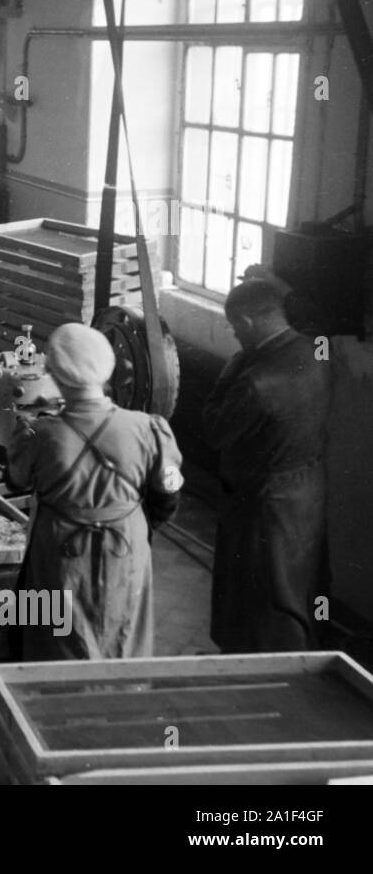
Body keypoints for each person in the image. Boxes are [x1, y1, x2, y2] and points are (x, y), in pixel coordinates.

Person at [0, 323, 184, 661]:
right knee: (122, 624)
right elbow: (168, 495)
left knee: (58, 632)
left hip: (60, 543)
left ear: (53, 372)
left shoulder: (38, 434)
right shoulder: (149, 428)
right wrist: (129, 520)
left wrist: (4, 405)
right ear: (110, 368)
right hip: (126, 539)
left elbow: (16, 482)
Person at [203, 279, 331, 653]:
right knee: (301, 583)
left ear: (247, 321)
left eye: (234, 327)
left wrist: (230, 369)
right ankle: (307, 651)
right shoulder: (319, 352)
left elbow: (214, 431)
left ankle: (252, 663)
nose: (235, 335)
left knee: (260, 590)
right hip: (309, 488)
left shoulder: (256, 382)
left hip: (264, 500)